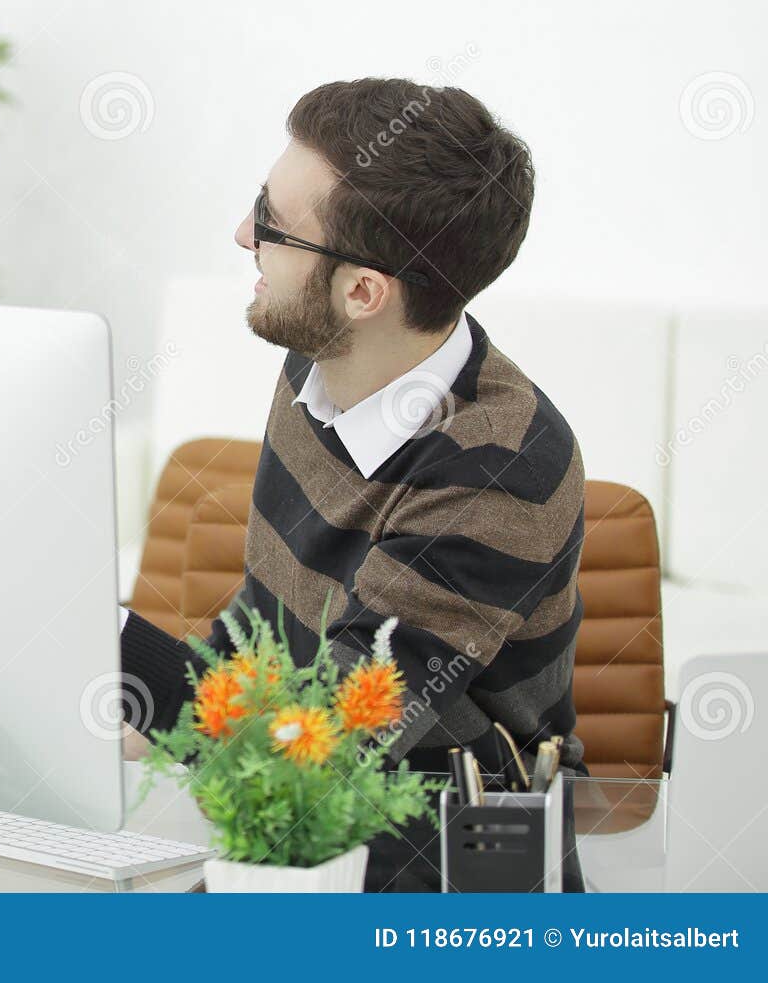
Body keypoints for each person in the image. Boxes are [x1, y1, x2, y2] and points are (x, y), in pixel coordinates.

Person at [121, 78, 585, 891]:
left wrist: (113, 654)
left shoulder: (502, 475)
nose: (241, 235)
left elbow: (330, 739)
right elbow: (270, 627)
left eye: (270, 225)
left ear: (363, 292)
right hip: (283, 840)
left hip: (441, 881)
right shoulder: (321, 359)